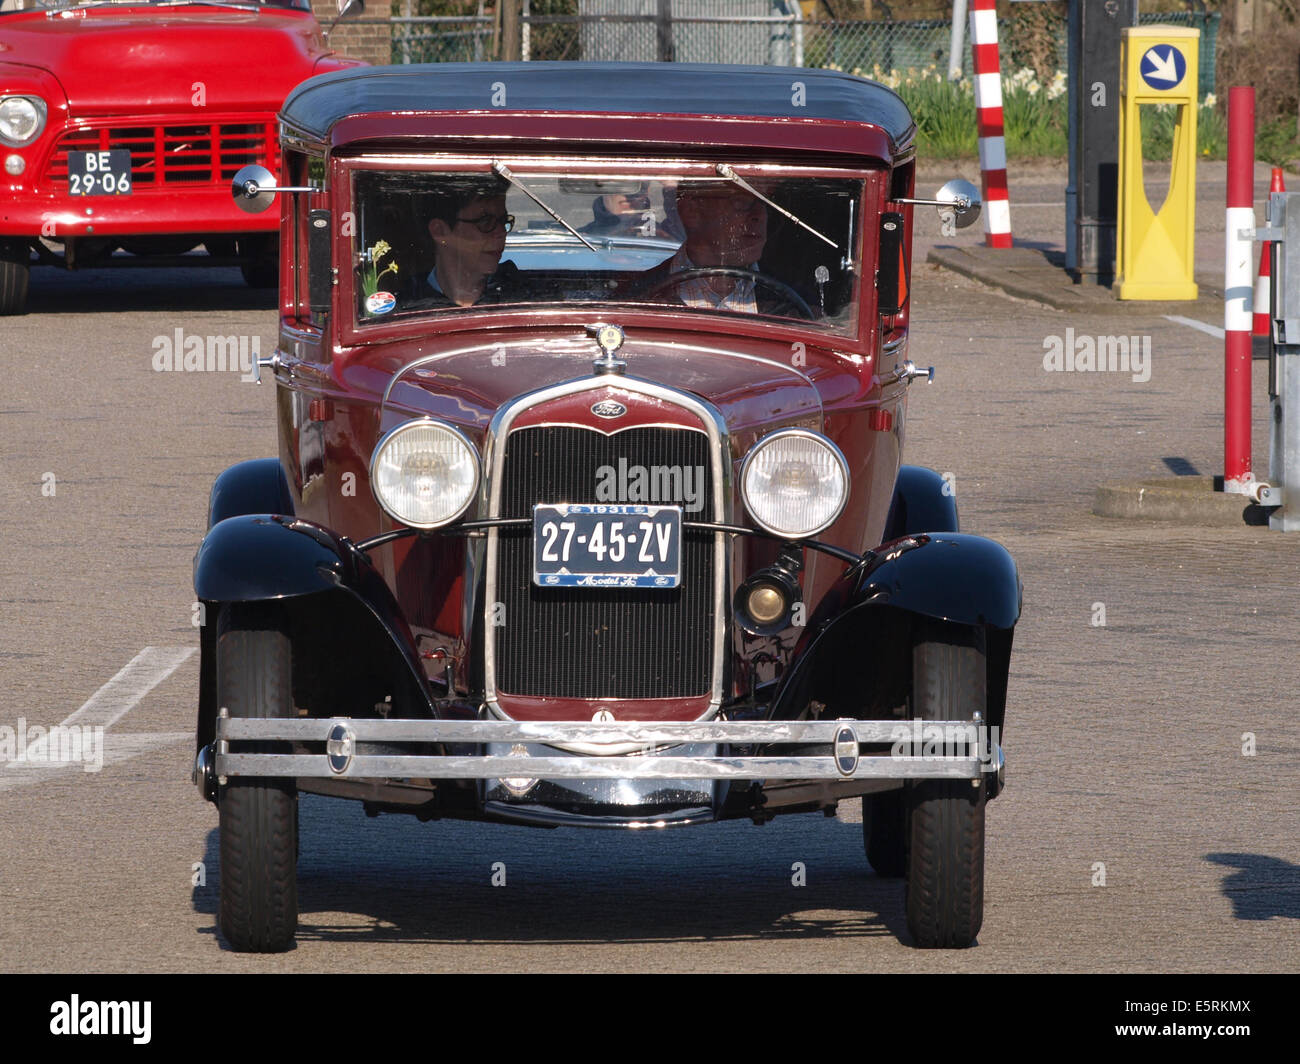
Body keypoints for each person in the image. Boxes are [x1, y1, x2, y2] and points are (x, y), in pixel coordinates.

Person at [405, 175, 517, 309]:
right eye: (485, 221)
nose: (501, 233)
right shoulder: (405, 306)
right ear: (440, 231)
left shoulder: (527, 296)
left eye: (503, 220)